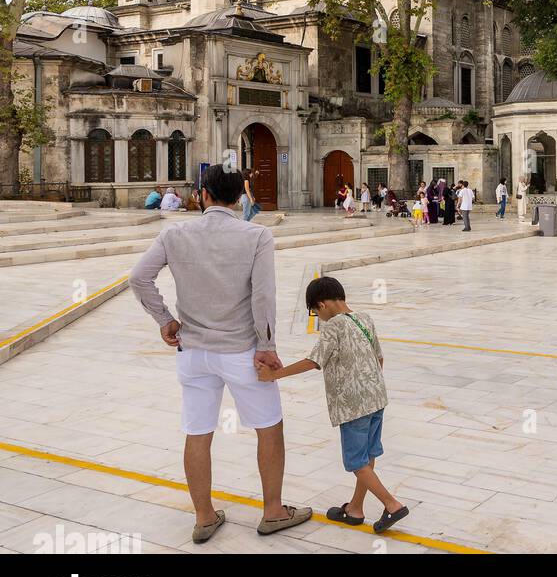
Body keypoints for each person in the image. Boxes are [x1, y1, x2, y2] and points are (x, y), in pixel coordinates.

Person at [129, 162, 310, 542]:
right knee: (268, 428)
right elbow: (263, 296)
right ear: (240, 197)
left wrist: (165, 319)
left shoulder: (174, 234)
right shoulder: (256, 237)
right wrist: (268, 347)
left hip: (193, 351)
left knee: (197, 432)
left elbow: (138, 277)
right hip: (242, 351)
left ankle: (204, 516)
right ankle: (273, 511)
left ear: (202, 195)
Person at [259, 276, 408, 535]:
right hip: (377, 399)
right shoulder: (365, 318)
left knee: (355, 462)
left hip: (353, 406)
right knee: (368, 455)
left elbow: (313, 361)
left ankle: (392, 505)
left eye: (315, 312)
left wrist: (273, 375)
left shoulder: (333, 326)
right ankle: (355, 508)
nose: (318, 317)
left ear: (322, 305)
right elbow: (379, 358)